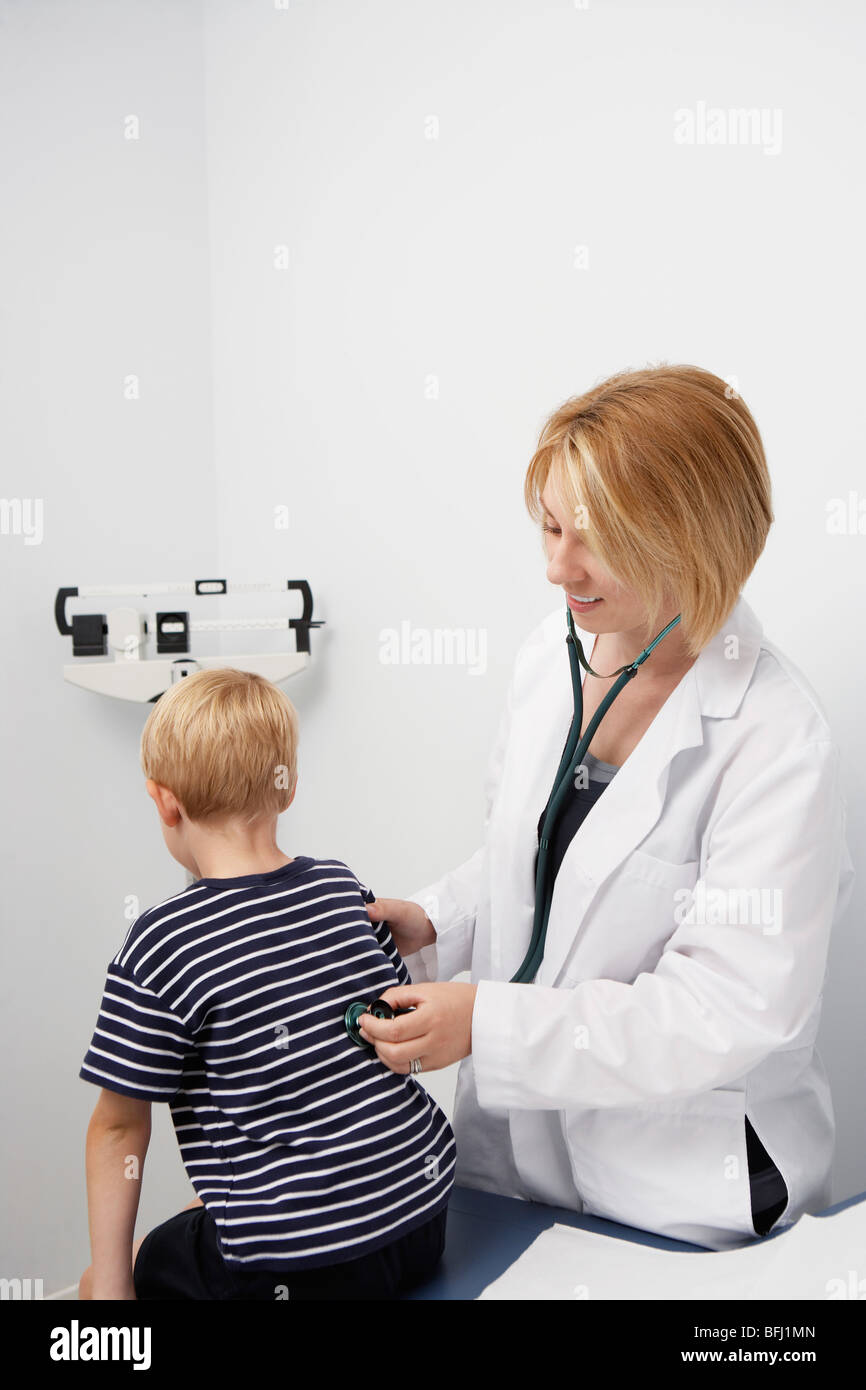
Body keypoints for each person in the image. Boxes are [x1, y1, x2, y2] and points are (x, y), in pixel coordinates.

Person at [357, 363, 855, 1252]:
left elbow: (726, 1006)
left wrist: (489, 1025)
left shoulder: (777, 739)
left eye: (592, 539)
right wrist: (434, 923)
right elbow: (537, 861)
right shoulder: (549, 665)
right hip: (510, 1162)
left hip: (679, 1185)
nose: (557, 567)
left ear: (688, 538)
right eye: (548, 528)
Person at [78, 668, 454, 1300]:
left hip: (297, 1267)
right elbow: (384, 1043)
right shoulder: (342, 889)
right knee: (209, 1207)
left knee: (106, 1276)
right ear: (288, 788)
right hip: (420, 1219)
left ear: (164, 801)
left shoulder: (163, 938)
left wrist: (113, 1292)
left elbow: (118, 1128)